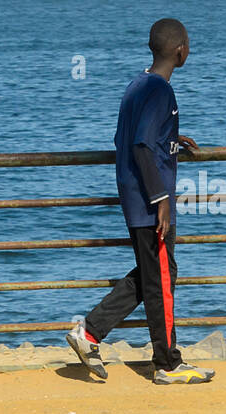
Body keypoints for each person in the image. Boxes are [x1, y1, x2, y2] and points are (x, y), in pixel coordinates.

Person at [66, 19, 214, 385]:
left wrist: (175, 142)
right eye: (188, 44)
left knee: (157, 275)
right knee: (161, 278)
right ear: (180, 50)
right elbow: (140, 145)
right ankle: (167, 364)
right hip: (151, 203)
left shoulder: (137, 85)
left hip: (134, 198)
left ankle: (88, 332)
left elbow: (129, 138)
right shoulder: (161, 91)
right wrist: (161, 198)